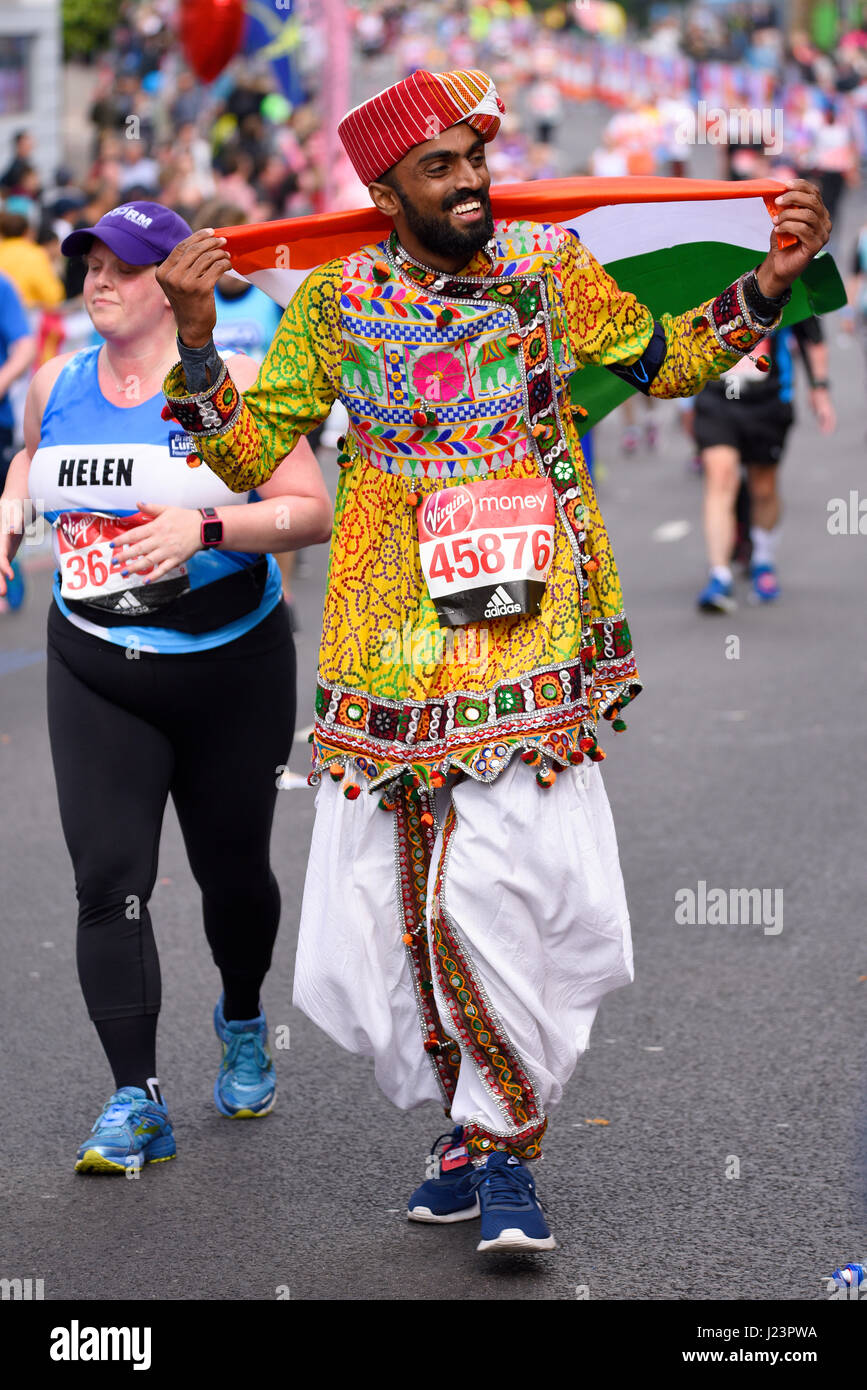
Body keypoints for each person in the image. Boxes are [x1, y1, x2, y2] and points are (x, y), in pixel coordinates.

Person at [158, 69, 830, 1251]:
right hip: (392, 646)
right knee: (409, 899)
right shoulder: (336, 301)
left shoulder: (544, 269)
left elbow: (665, 361)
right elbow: (254, 448)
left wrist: (768, 286)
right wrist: (202, 345)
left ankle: (506, 1142)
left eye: (477, 157)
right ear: (384, 188)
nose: (472, 181)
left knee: (499, 887)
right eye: (441, 167)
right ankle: (474, 1132)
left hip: (528, 633)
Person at [0, 201, 332, 1174]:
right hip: (99, 661)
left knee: (233, 876)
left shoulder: (231, 388)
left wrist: (207, 531)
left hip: (232, 666)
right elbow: (31, 457)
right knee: (110, 881)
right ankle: (135, 1096)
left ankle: (239, 1014)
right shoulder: (59, 382)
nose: (97, 280)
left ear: (178, 282)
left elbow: (310, 510)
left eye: (122, 265)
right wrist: (12, 507)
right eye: (89, 263)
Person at [692, 316, 834, 610]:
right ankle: (719, 575)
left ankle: (763, 561)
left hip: (767, 398)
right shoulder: (706, 272)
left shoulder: (784, 275)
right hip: (715, 394)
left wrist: (819, 388)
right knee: (721, 477)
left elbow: (812, 334)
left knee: (763, 487)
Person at [0, 270, 35, 613]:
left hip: (0, 422)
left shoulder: (1, 284)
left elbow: (24, 347)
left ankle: (12, 576)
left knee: (10, 506)